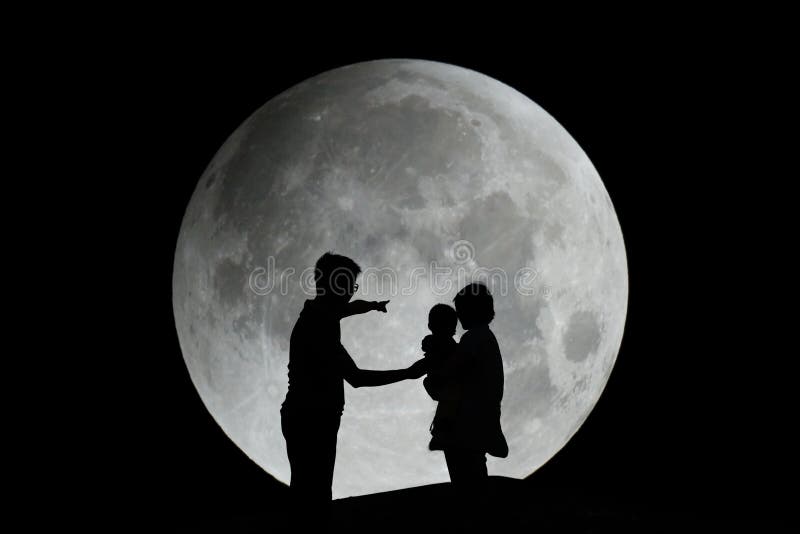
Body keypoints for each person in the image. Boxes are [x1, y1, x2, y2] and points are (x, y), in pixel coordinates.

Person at [280, 252, 427, 525]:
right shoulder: (319, 326)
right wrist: (407, 374)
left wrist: (371, 305)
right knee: (313, 496)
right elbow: (357, 377)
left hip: (306, 415)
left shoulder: (319, 311)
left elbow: (349, 308)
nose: (351, 292)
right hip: (312, 418)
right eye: (348, 285)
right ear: (336, 285)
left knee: (305, 491)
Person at [423, 283, 508, 527]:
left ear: (472, 309)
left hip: (466, 428)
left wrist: (429, 377)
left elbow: (447, 376)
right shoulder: (483, 339)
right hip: (475, 426)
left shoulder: (474, 338)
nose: (457, 316)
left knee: (468, 489)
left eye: (460, 309)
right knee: (473, 483)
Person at [420, 303, 459, 449]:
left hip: (452, 411)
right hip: (450, 405)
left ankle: (443, 429)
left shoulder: (445, 346)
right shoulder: (445, 345)